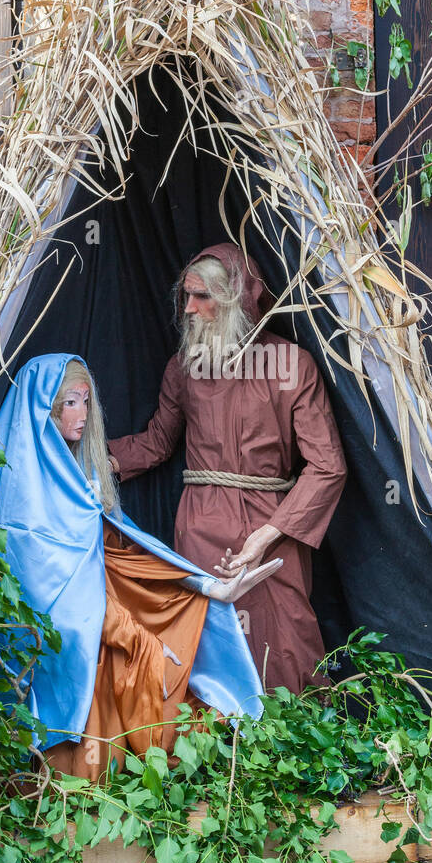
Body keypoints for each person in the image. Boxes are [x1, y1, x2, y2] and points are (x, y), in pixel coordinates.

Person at [0, 353, 267, 785]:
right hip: (58, 633)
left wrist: (203, 586)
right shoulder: (15, 492)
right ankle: (74, 790)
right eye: (69, 403)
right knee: (118, 654)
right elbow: (34, 583)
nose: (82, 415)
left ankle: (123, 783)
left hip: (98, 614)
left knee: (142, 650)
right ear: (43, 410)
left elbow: (127, 552)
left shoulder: (80, 478)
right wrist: (113, 624)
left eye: (85, 401)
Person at [108, 243, 348, 694]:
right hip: (201, 523)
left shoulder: (292, 365)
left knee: (286, 638)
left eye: (203, 297)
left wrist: (269, 533)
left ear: (236, 299)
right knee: (210, 640)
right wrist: (97, 461)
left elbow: (327, 466)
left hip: (275, 524)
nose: (190, 309)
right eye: (186, 296)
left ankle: (292, 741)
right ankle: (214, 745)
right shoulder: (183, 368)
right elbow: (157, 442)